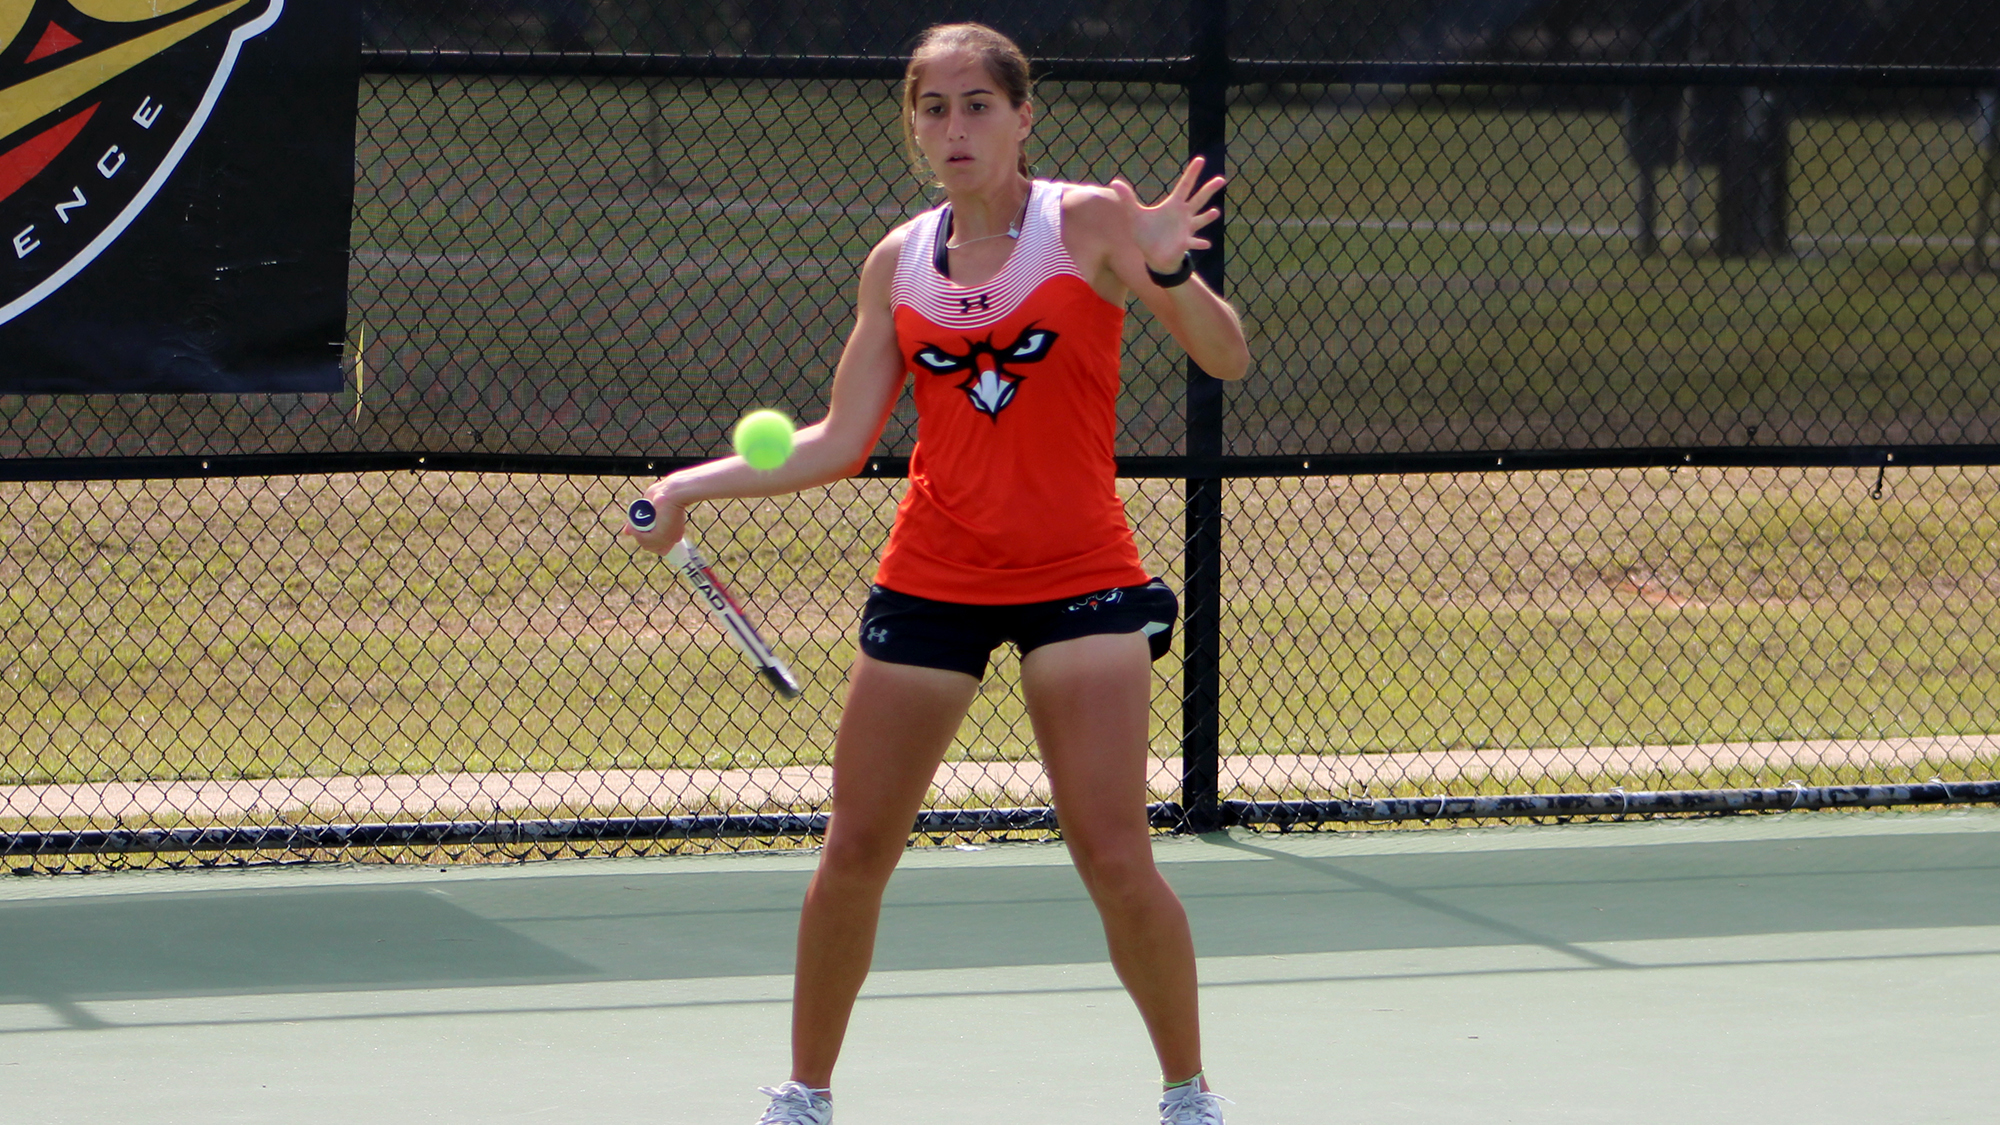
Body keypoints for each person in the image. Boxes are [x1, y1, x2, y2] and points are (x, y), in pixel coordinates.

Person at [625, 21, 1248, 1125]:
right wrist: (687, 486)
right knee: (855, 848)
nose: (954, 128)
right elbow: (836, 440)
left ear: (1022, 117)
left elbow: (1224, 355)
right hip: (933, 577)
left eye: (976, 105)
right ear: (913, 127)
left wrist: (1167, 269)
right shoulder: (897, 262)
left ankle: (1187, 1095)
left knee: (1113, 854)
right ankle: (804, 1095)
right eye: (933, 108)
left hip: (1080, 579)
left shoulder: (1087, 224)